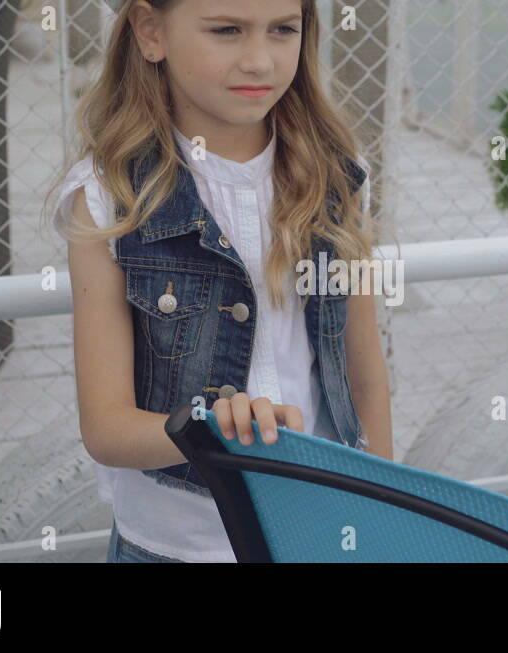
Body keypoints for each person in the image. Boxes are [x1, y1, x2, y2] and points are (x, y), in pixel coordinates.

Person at [44, 0, 393, 563]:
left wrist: (379, 509)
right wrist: (211, 433)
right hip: (179, 544)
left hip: (325, 528)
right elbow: (105, 427)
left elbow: (366, 376)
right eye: (227, 30)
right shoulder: (111, 197)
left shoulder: (339, 174)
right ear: (150, 30)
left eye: (282, 30)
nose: (259, 61)